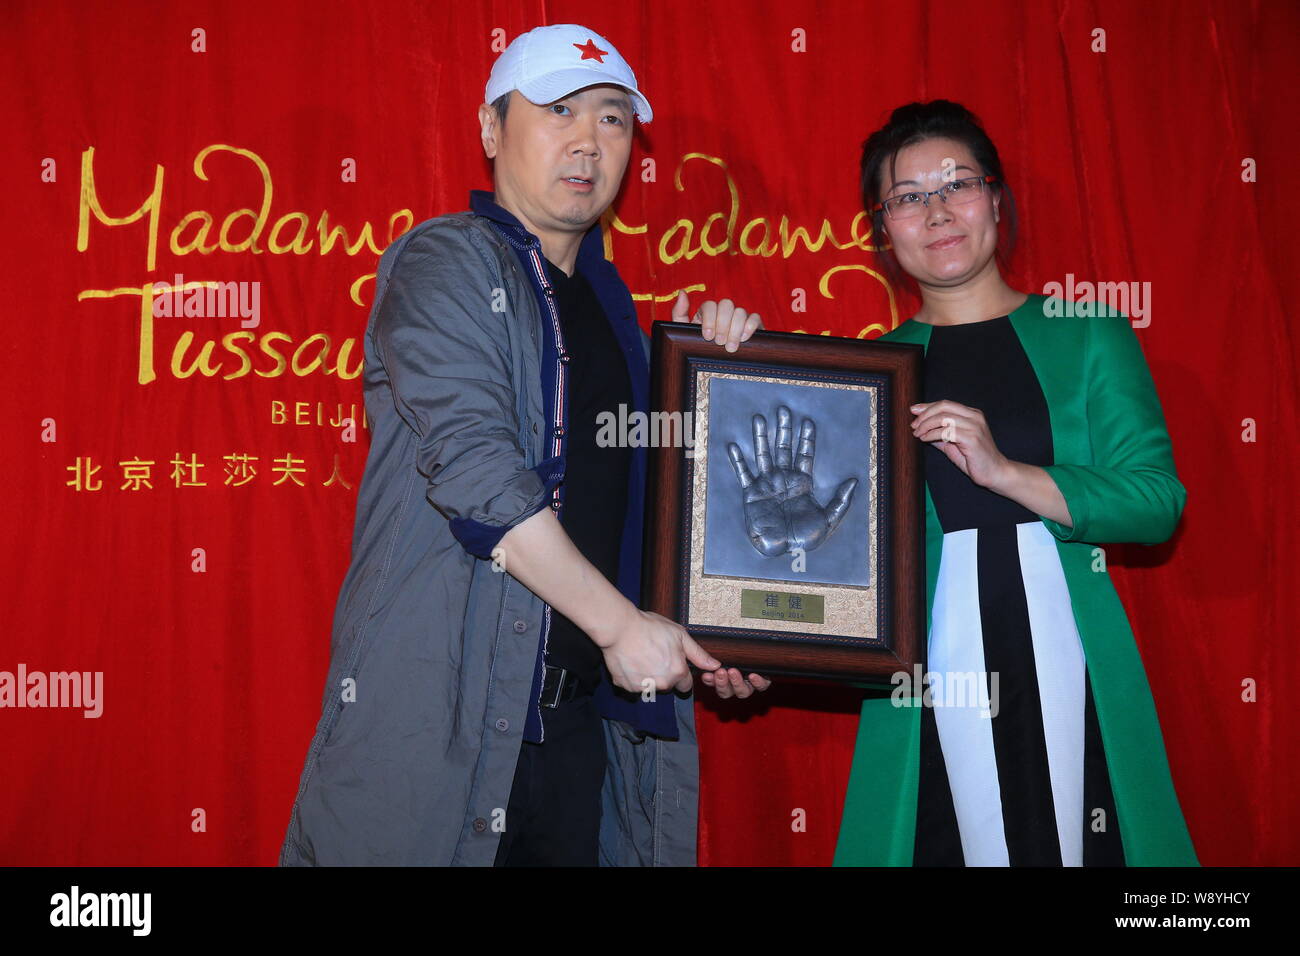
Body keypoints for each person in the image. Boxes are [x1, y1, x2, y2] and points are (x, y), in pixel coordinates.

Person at [279, 23, 769, 868]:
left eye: (613, 118)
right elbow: (477, 471)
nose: (588, 140)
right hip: (444, 728)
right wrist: (621, 628)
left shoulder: (623, 320)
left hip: (583, 735)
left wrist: (727, 632)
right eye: (559, 109)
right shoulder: (446, 263)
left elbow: (649, 519)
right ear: (490, 128)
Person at [834, 100, 1199, 866]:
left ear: (996, 199)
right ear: (882, 226)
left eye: (957, 184)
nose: (936, 212)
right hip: (930, 669)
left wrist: (1006, 473)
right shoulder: (863, 374)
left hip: (1074, 654)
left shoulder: (1088, 331)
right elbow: (831, 559)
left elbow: (1156, 503)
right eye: (907, 196)